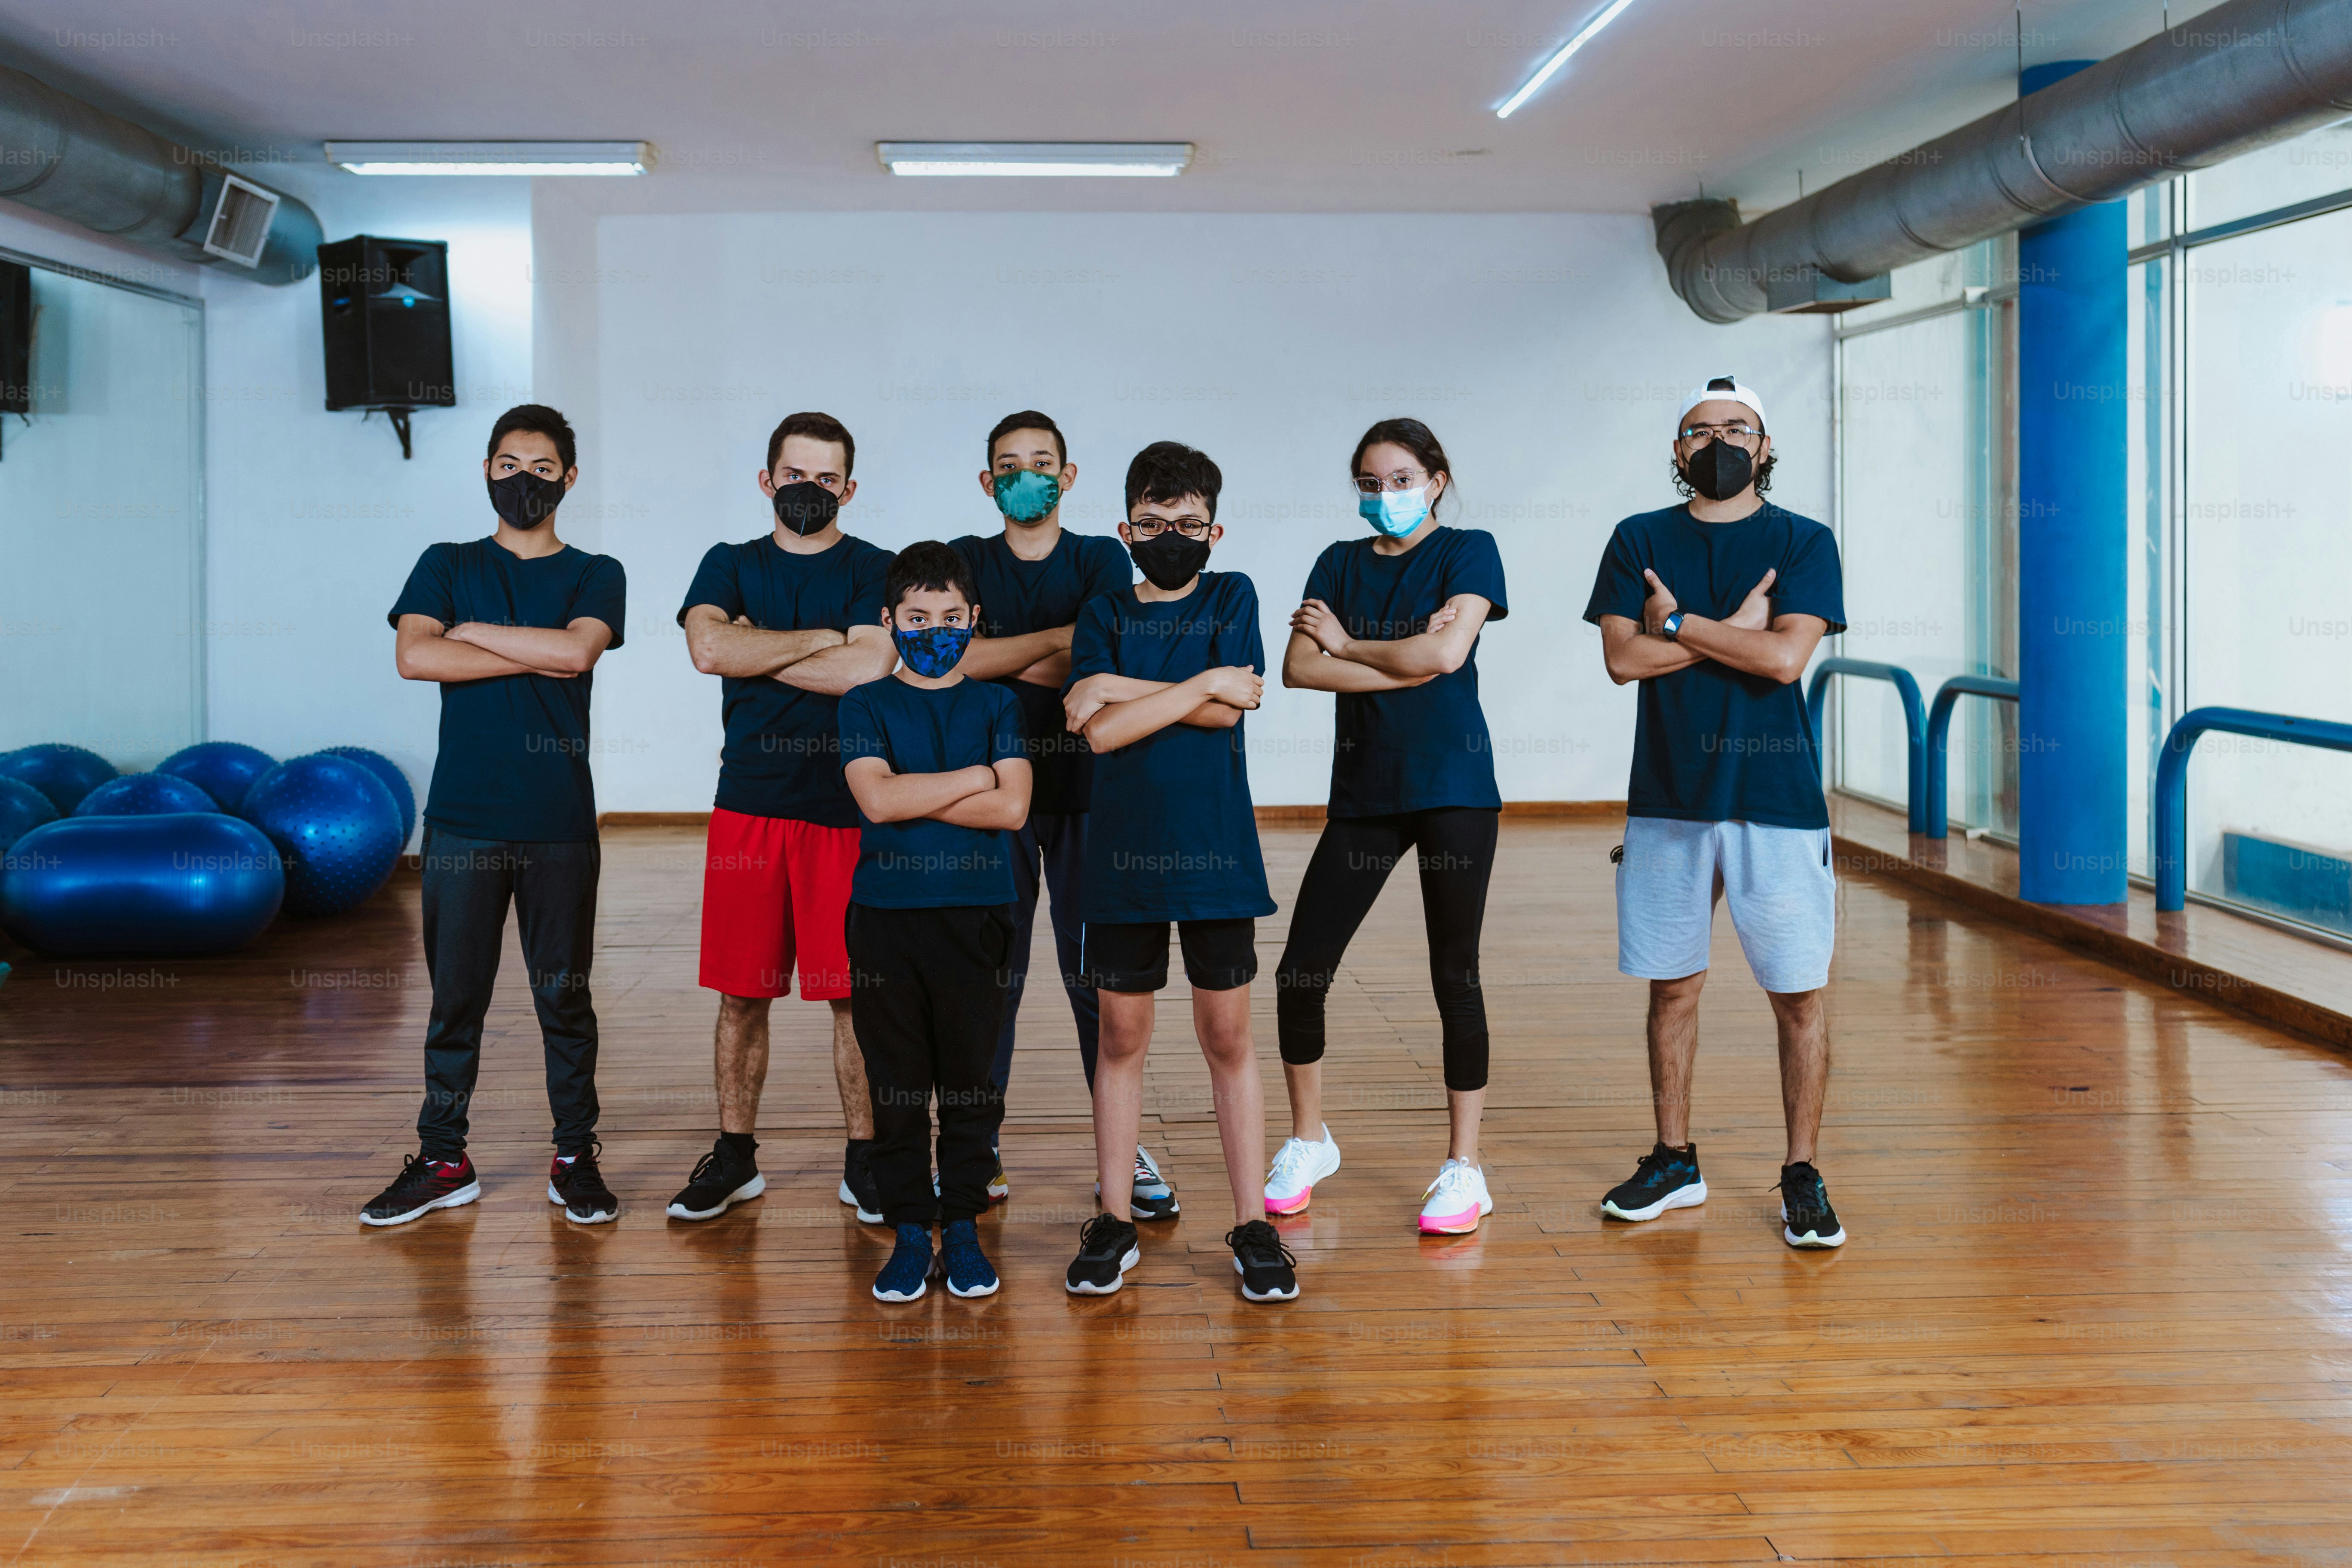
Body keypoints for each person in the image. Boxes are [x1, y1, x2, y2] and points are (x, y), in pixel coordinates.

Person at [1583, 374, 1848, 1250]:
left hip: (1777, 800)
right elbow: (1622, 662)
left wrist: (1678, 626)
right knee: (1673, 987)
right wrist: (1735, 628)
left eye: (1738, 429)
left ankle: (1802, 1172)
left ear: (1765, 448)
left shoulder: (1804, 541)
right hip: (1670, 797)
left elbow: (1784, 662)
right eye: (1701, 430)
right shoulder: (1639, 538)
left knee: (1798, 997)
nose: (1720, 442)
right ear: (1677, 450)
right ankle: (1674, 1160)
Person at [363, 404, 626, 1227]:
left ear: (569, 479)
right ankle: (445, 1159)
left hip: (558, 821)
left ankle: (575, 1157)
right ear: (486, 470)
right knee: (456, 1002)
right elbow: (416, 656)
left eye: (542, 468)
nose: (524, 480)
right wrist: (529, 645)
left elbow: (577, 652)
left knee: (565, 1000)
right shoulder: (445, 562)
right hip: (464, 820)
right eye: (509, 465)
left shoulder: (597, 572)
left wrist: (475, 634)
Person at [1059, 441, 1298, 1302]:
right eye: (1153, 523)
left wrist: (1117, 690)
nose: (1170, 536)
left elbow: (1237, 705)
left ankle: (1253, 1225)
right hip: (1121, 860)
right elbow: (1099, 732)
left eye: (1188, 523)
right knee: (1120, 1040)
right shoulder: (1103, 610)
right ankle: (1113, 1220)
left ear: (1215, 531)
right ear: (1126, 529)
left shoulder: (1233, 594)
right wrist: (1203, 683)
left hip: (1215, 857)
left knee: (1227, 1039)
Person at [1271, 417, 1509, 1234]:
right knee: (1301, 970)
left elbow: (1446, 658)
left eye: (1402, 480)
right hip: (1366, 792)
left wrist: (1348, 645)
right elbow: (1299, 669)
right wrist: (1398, 658)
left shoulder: (1470, 551)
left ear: (1436, 480)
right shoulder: (1337, 563)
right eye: (1371, 483)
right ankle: (1310, 1140)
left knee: (1455, 976)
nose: (1387, 495)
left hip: (1454, 789)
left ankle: (1465, 1168)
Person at [667, 413, 896, 1224]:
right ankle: (735, 1159)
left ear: (849, 490)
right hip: (750, 806)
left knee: (854, 999)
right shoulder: (728, 563)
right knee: (741, 998)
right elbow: (708, 652)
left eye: (826, 479)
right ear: (768, 481)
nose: (809, 490)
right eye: (795, 476)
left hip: (847, 808)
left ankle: (866, 1162)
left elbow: (869, 667)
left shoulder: (875, 567)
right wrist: (819, 642)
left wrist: (758, 645)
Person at [949, 410, 1179, 1220]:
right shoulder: (965, 561)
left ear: (1068, 476)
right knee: (993, 980)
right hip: (993, 793)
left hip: (1089, 792)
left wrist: (1009, 655)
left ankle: (1123, 1152)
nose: (1027, 476)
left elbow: (1099, 667)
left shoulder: (1100, 558)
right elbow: (957, 662)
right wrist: (1061, 645)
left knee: (1096, 983)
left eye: (1042, 463)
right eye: (1010, 464)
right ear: (989, 481)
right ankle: (977, 1148)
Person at [839, 542, 1032, 1302]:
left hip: (978, 917)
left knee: (970, 1085)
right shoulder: (865, 703)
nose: (935, 630)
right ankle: (912, 1230)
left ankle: (963, 1225)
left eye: (951, 616)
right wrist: (975, 776)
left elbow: (1011, 810)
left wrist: (915, 790)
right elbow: (876, 800)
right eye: (917, 618)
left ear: (974, 618)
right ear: (889, 621)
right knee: (896, 1085)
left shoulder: (998, 704)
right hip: (885, 920)